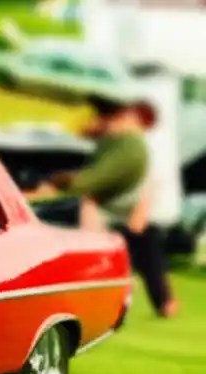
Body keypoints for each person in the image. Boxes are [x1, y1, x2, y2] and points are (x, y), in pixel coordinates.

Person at [30, 90, 176, 317]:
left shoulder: (137, 145)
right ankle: (162, 303)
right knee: (146, 258)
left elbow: (149, 184)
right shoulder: (124, 140)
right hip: (129, 210)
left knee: (141, 257)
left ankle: (157, 302)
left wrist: (140, 214)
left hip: (135, 212)